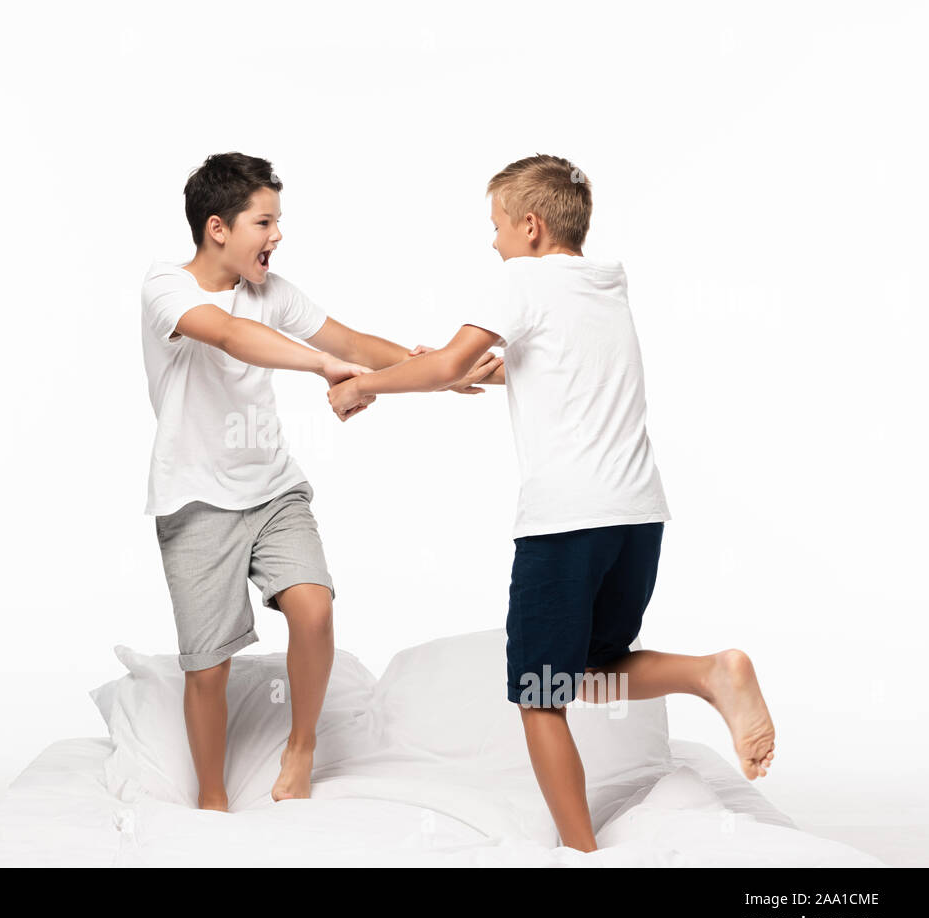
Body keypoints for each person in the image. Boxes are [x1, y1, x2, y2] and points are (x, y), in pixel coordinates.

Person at [326, 154, 775, 851]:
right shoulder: (603, 283)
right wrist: (485, 370)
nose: (494, 240)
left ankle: (580, 852)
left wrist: (368, 386)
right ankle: (709, 672)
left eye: (498, 225)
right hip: (637, 516)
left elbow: (448, 362)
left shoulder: (519, 280)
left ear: (531, 227)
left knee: (540, 693)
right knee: (592, 670)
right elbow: (557, 365)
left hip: (567, 521)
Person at [141, 151, 497, 810]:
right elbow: (225, 334)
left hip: (273, 489)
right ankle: (212, 801)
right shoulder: (167, 285)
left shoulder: (274, 291)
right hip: (194, 501)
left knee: (314, 608)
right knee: (208, 665)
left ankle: (300, 747)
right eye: (264, 221)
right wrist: (319, 366)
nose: (276, 235)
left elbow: (357, 344)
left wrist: (458, 367)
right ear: (218, 227)